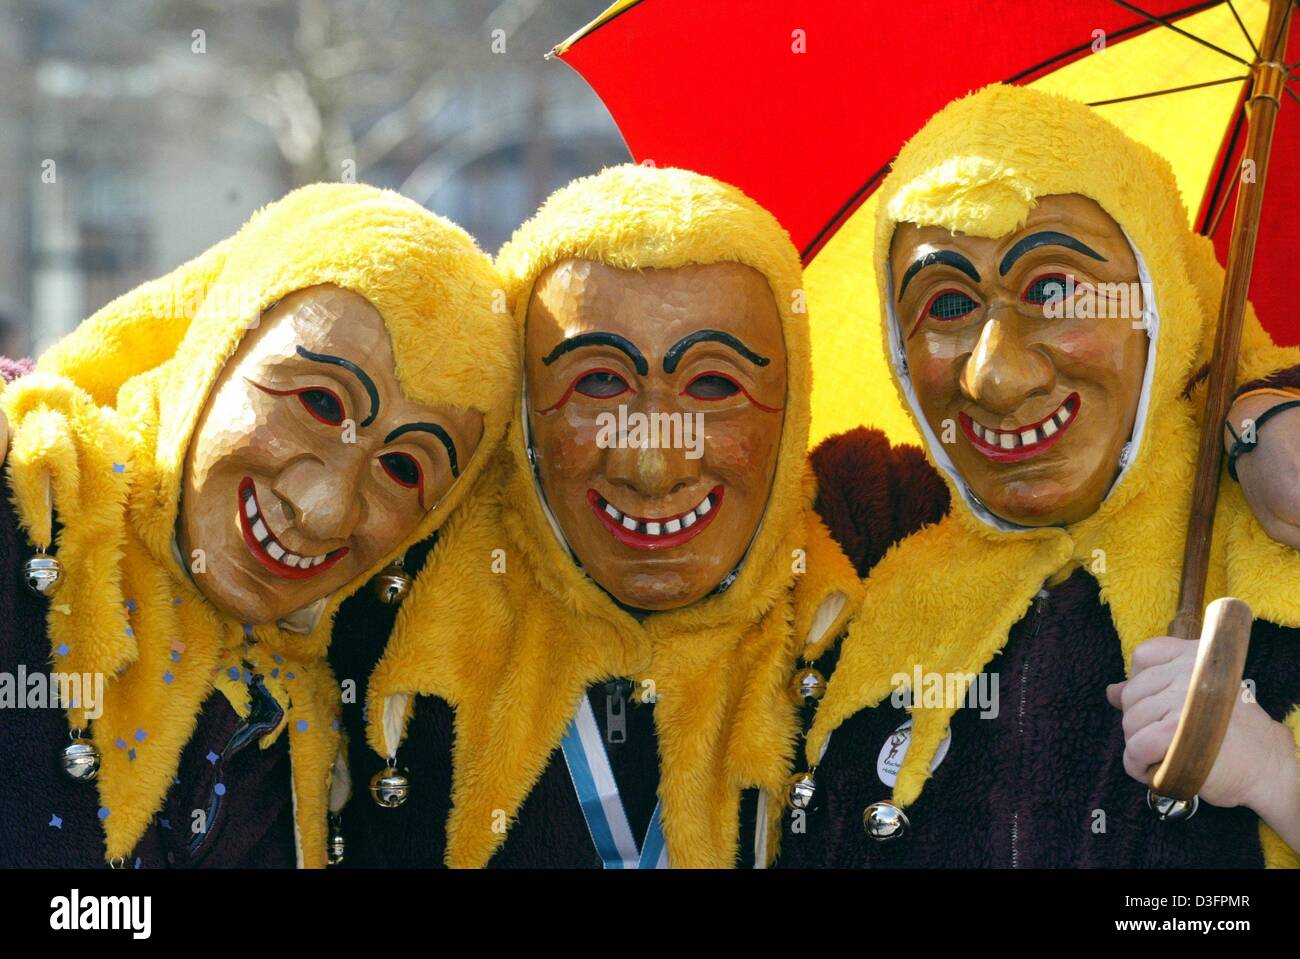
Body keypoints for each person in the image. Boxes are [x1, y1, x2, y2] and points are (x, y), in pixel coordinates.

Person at [778, 84, 1300, 868]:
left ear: (1160, 301)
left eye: (1053, 289)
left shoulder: (1275, 543)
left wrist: (1276, 776)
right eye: (948, 303)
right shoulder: (869, 569)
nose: (995, 376)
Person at [334, 165, 874, 868]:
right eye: (598, 382)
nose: (653, 462)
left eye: (714, 384)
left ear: (794, 401)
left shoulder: (874, 589)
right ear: (521, 411)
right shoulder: (373, 600)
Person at [0, 183, 515, 867]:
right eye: (318, 401)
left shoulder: (351, 695)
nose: (324, 507)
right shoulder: (33, 512)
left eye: (403, 469)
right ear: (218, 352)